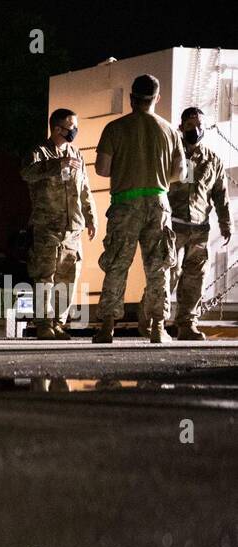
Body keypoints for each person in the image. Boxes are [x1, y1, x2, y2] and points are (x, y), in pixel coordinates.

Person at [92, 74, 185, 344]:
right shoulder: (170, 131)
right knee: (159, 268)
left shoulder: (114, 128)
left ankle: (107, 327)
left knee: (117, 264)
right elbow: (179, 173)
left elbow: (102, 168)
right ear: (157, 98)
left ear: (132, 98)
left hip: (124, 204)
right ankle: (158, 328)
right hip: (158, 202)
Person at [21, 108, 96, 339]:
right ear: (57, 128)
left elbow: (85, 188)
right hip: (47, 225)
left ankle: (58, 323)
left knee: (68, 276)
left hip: (73, 227)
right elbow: (26, 174)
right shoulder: (39, 152)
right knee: (45, 276)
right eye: (71, 126)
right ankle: (44, 324)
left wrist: (91, 216)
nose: (75, 130)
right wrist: (55, 165)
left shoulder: (77, 154)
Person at [167, 106, 231, 340]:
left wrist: (226, 224)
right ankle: (154, 321)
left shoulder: (212, 160)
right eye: (192, 126)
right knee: (166, 275)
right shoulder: (171, 155)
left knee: (195, 278)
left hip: (199, 229)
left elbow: (220, 196)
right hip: (171, 226)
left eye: (200, 126)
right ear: (181, 127)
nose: (197, 130)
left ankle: (187, 324)